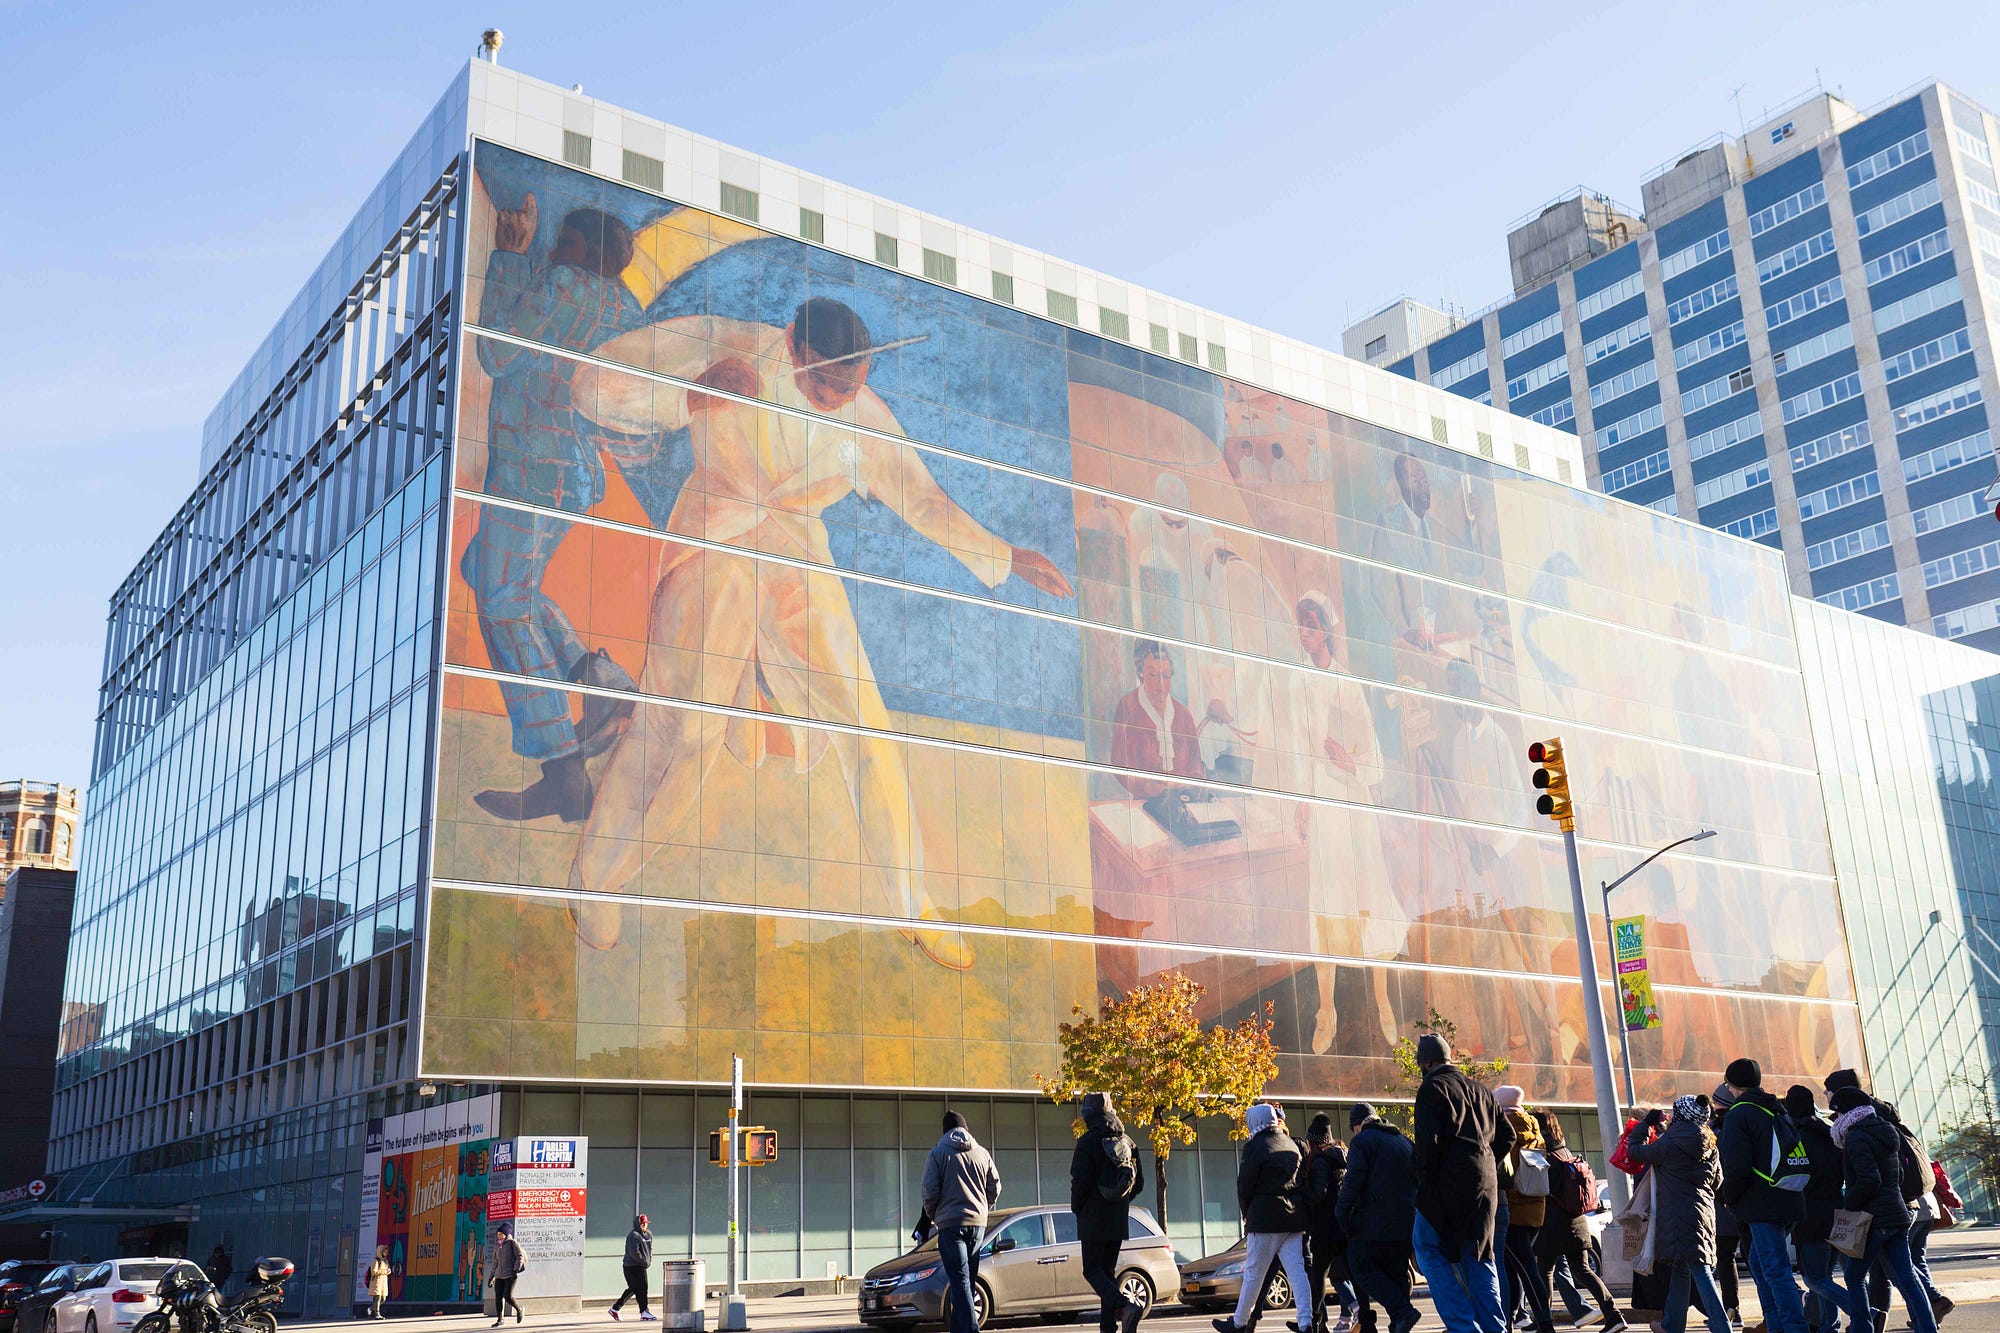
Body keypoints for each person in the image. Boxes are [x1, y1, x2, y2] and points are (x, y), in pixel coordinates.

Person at [562, 297, 1074, 960]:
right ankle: (595, 882)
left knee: (865, 720)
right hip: (714, 540)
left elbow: (920, 498)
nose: (834, 398)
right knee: (683, 726)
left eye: (848, 387)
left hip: (797, 562)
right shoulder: (726, 341)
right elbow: (591, 382)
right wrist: (688, 394)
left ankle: (913, 903)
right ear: (795, 346)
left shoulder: (863, 416)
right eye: (823, 382)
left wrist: (1006, 556)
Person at [460, 194, 649, 822]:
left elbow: (496, 353)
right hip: (572, 473)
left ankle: (563, 771)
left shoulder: (563, 285)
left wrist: (510, 261)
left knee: (503, 601)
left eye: (562, 244)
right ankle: (600, 680)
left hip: (527, 465)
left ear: (584, 254)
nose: (554, 252)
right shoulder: (626, 310)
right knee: (490, 576)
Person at [1288, 593, 1402, 1056]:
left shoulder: (1348, 685)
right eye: (1301, 624)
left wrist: (1348, 762)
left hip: (1354, 808)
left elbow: (1374, 763)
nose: (1305, 632)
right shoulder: (1297, 684)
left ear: (1327, 630)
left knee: (1367, 900)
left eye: (1312, 624)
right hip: (1323, 807)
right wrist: (1299, 800)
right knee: (1326, 903)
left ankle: (1382, 999)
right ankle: (1326, 1009)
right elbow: (1295, 750)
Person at [1410, 1034, 1511, 1333]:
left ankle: (1463, 1326)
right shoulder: (1482, 1089)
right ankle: (1495, 1327)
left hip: (1447, 1186)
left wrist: (1424, 1177)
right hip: (1485, 1186)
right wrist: (1484, 1161)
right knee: (1480, 1254)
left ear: (1425, 1063)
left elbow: (1427, 1146)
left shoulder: (1431, 1088)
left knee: (1426, 1248)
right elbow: (1507, 1137)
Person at [1831, 1087, 1938, 1333]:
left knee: (1854, 1277)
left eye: (1836, 1113)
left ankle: (1862, 1328)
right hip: (1897, 1213)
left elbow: (1869, 1180)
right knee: (1907, 1278)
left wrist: (1850, 1204)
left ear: (1846, 1112)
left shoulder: (1856, 1137)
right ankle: (1927, 1327)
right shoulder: (1886, 1130)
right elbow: (1898, 1174)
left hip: (1874, 1218)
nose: (1835, 1120)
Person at [1624, 1098, 1730, 1333]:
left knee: (1700, 1272)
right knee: (1682, 1271)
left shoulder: (1670, 1142)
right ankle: (1672, 1325)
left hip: (1676, 1216)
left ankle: (1722, 1327)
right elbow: (1717, 1181)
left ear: (1681, 1114)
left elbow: (1635, 1151)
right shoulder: (1710, 1141)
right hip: (1703, 1212)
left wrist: (1646, 1125)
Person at [1718, 1059, 1809, 1333]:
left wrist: (1729, 1197)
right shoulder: (1775, 1107)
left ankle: (1793, 1326)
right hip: (1790, 1194)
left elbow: (1736, 1166)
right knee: (1759, 1262)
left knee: (1775, 1269)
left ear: (1732, 1084)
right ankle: (1776, 1322)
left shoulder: (1740, 1113)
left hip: (1762, 1203)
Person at [1213, 1103, 1312, 1333]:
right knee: (1297, 1272)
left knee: (1254, 1273)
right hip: (1292, 1219)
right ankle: (1307, 1323)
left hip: (1265, 1219)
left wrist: (1245, 1213)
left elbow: (1244, 1185)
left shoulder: (1255, 1147)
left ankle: (1239, 1322)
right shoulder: (1291, 1144)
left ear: (1255, 1122)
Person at [1533, 1110, 1627, 1333]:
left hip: (1552, 1223)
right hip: (1576, 1221)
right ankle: (1614, 1316)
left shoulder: (1544, 1154)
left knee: (1544, 1271)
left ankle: (1543, 1324)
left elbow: (1540, 1188)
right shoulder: (1565, 1150)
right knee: (1583, 1270)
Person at [1338, 1104, 1419, 1333]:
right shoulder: (1403, 1141)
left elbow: (1353, 1183)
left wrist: (1342, 1213)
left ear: (1358, 1124)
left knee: (1360, 1266)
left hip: (1373, 1223)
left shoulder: (1362, 1141)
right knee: (1397, 1273)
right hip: (1405, 1220)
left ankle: (1402, 1311)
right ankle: (1399, 1323)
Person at [1070, 1093, 1146, 1333]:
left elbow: (1079, 1182)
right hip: (1117, 1219)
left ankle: (1125, 1306)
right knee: (1107, 1273)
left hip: (1092, 1218)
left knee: (1092, 1270)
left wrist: (1078, 1207)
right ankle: (1108, 1325)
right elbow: (1139, 1183)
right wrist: (1120, 1204)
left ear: (1088, 1114)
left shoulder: (1087, 1142)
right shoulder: (1129, 1142)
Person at [922, 1111, 1003, 1333]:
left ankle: (971, 1330)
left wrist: (934, 1216)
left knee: (960, 1282)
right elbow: (995, 1186)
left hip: (950, 1225)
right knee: (966, 1282)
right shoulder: (982, 1153)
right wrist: (983, 1208)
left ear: (944, 1131)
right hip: (977, 1225)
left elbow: (929, 1193)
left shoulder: (937, 1154)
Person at [1785, 1087, 1848, 1333]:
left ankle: (1862, 1310)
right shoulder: (1829, 1133)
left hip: (1810, 1214)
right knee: (1825, 1276)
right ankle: (1828, 1326)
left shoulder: (1794, 1138)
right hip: (1835, 1209)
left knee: (1814, 1278)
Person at [1493, 1088, 1556, 1333]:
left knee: (1524, 1270)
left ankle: (1545, 1323)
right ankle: (1508, 1322)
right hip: (1535, 1210)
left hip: (1512, 1207)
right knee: (1514, 1269)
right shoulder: (1534, 1128)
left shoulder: (1503, 1128)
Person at [1110, 641, 1207, 797]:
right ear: (1141, 673)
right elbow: (1120, 764)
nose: (1160, 684)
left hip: (1184, 800)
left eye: (1165, 675)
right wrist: (1149, 787)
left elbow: (1196, 765)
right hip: (1145, 804)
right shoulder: (1128, 707)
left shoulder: (1184, 715)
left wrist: (1189, 784)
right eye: (1152, 674)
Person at [1302, 1113, 1357, 1333]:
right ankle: (1361, 1314)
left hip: (1325, 1228)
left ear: (1314, 1142)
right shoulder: (1344, 1156)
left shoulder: (1321, 1162)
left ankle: (1314, 1321)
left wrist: (1300, 1191)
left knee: (1318, 1278)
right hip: (1345, 1226)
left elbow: (1318, 1194)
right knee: (1347, 1274)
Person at [609, 1214, 655, 1320]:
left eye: (646, 1224)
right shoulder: (633, 1235)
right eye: (642, 1224)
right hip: (631, 1266)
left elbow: (650, 1249)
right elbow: (634, 1252)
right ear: (638, 1224)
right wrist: (643, 1261)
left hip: (642, 1265)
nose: (644, 1225)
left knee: (639, 1288)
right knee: (638, 1288)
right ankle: (644, 1312)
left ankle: (616, 1309)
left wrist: (648, 1261)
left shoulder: (649, 1234)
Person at [490, 1222, 525, 1327]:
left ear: (506, 1234)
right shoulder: (497, 1245)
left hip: (510, 1274)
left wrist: (516, 1270)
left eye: (501, 1234)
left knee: (507, 1296)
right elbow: (495, 1262)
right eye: (498, 1234)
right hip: (499, 1275)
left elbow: (520, 1256)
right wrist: (491, 1277)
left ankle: (519, 1309)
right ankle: (500, 1319)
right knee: (498, 1298)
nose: (499, 1236)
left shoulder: (512, 1243)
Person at [365, 1246, 391, 1321]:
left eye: (386, 1252)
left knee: (383, 1298)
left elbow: (387, 1270)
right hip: (377, 1282)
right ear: (380, 1252)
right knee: (378, 1298)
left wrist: (388, 1272)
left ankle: (370, 1308)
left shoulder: (386, 1261)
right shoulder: (376, 1261)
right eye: (384, 1252)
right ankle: (377, 1314)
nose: (386, 1253)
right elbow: (374, 1272)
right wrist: (384, 1272)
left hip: (383, 1283)